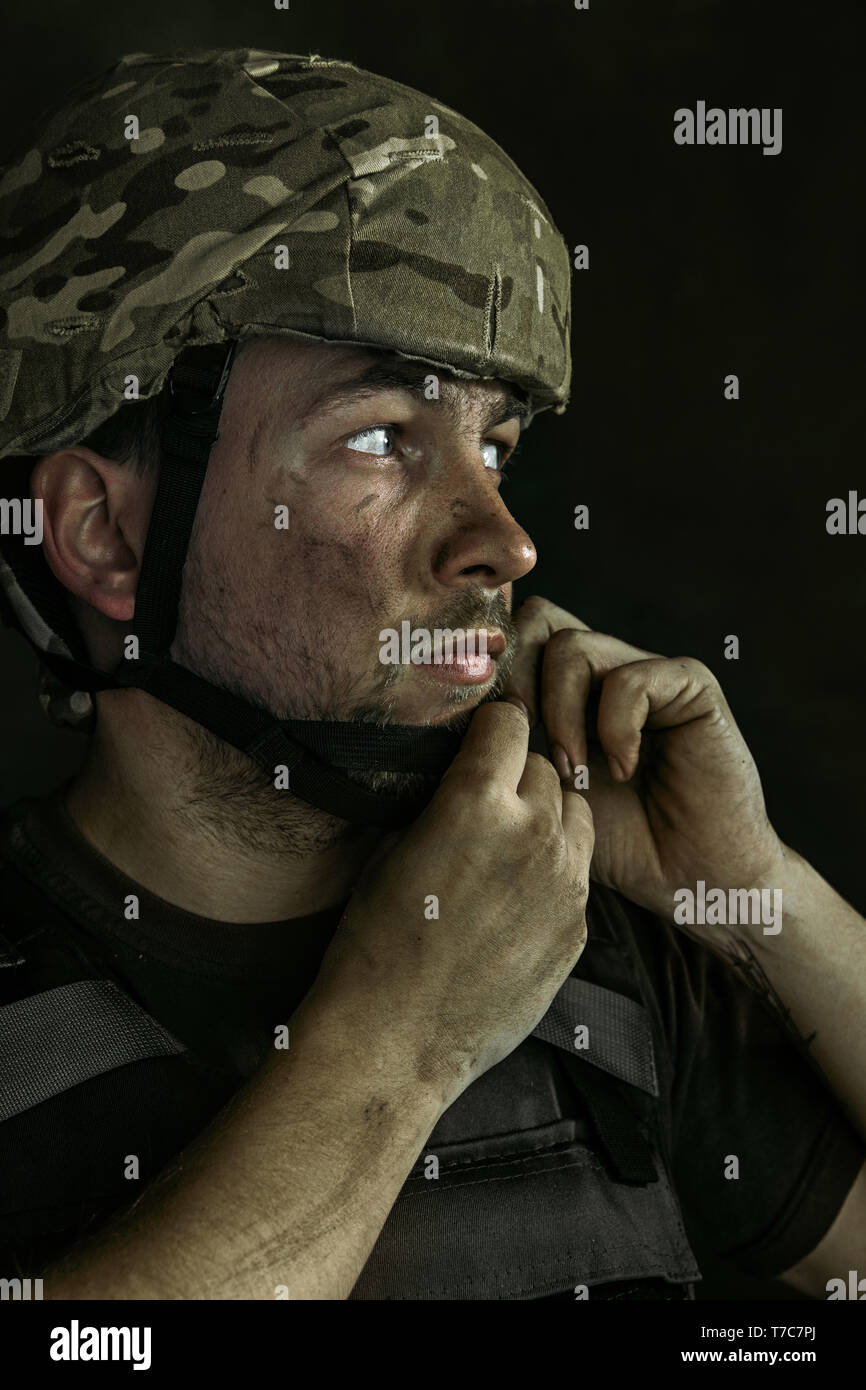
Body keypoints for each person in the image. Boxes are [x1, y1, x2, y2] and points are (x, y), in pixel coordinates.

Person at [0, 47, 863, 1302]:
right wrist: (403, 1045)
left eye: (494, 445)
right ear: (106, 536)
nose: (503, 541)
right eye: (380, 439)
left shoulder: (596, 957)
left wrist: (752, 896)